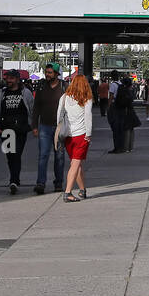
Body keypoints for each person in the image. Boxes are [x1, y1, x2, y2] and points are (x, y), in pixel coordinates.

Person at [0, 70, 34, 194]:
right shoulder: (2, 93)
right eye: (7, 78)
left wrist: (33, 125)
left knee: (16, 154)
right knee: (10, 156)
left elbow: (32, 109)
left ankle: (14, 181)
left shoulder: (25, 93)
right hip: (6, 130)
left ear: (17, 79)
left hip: (21, 130)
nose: (9, 81)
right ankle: (14, 179)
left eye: (11, 78)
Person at [31, 64, 67, 194]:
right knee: (43, 155)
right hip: (44, 127)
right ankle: (40, 183)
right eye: (46, 72)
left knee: (60, 156)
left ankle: (58, 183)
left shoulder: (64, 87)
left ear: (56, 74)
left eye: (50, 72)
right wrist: (34, 126)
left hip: (60, 127)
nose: (47, 74)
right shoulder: (41, 87)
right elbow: (36, 107)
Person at [59, 74, 94, 202]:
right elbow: (88, 118)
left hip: (68, 135)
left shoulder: (64, 97)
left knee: (76, 163)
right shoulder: (86, 99)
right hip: (81, 135)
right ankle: (67, 192)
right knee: (75, 164)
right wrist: (88, 134)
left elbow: (59, 115)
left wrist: (59, 131)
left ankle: (82, 190)